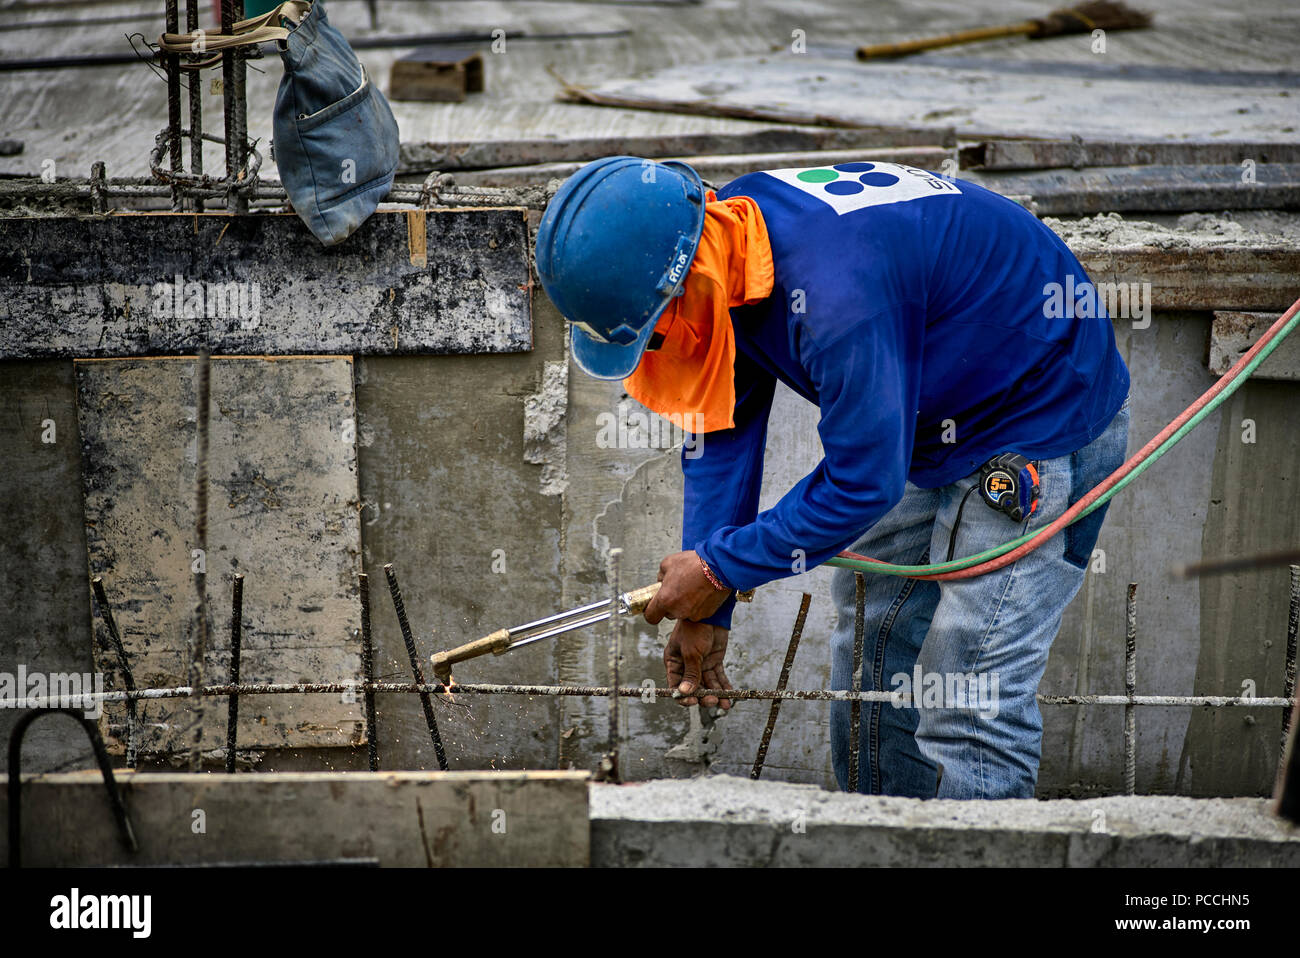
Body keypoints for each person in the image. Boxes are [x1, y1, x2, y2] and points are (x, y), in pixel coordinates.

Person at [534, 156, 1130, 799]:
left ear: (685, 282)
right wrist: (711, 595)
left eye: (655, 332)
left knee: (971, 699)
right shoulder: (730, 238)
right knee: (871, 655)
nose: (660, 348)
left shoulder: (835, 294)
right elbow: (724, 426)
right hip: (924, 417)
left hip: (1039, 416)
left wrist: (719, 571)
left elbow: (862, 484)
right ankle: (875, 839)